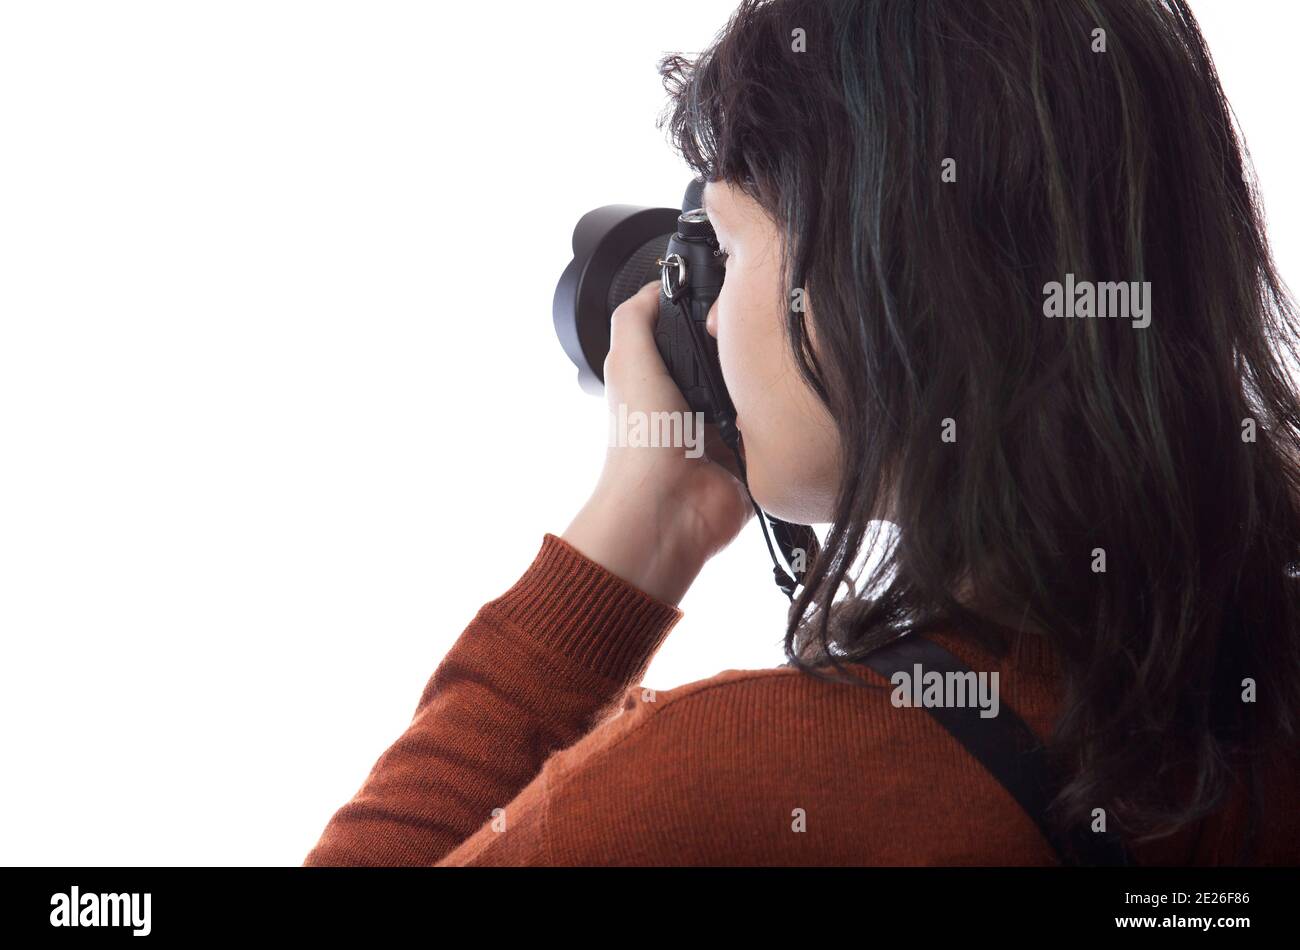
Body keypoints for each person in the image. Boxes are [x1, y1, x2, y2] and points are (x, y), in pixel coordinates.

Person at [303, 0, 1300, 865]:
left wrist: (631, 541)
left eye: (727, 245)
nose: (695, 309)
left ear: (874, 290)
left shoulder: (730, 785)